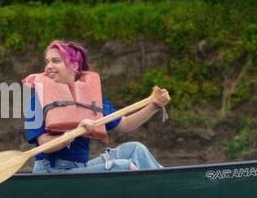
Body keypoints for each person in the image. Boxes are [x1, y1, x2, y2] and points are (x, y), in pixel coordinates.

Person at [22, 40, 170, 174]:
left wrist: (154, 105)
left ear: (74, 66)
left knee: (136, 149)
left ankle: (167, 185)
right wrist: (72, 133)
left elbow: (125, 124)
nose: (49, 67)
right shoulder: (37, 100)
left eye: (56, 61)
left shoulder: (89, 98)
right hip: (51, 171)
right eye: (47, 61)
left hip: (79, 168)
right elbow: (44, 144)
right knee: (123, 166)